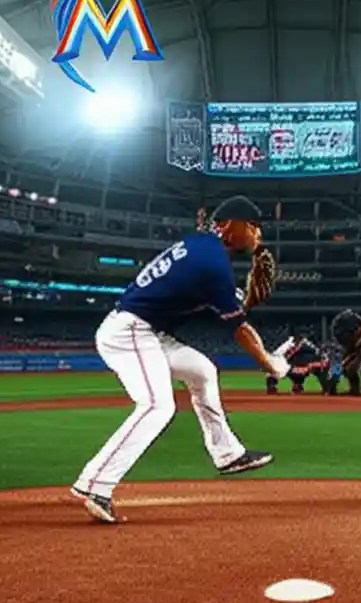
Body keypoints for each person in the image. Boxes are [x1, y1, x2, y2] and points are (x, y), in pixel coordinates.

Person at [71, 196, 290, 524]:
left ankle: (228, 453)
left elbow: (204, 294)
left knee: (202, 371)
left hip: (151, 333)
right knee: (157, 406)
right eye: (254, 226)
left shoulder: (201, 245)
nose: (258, 235)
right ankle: (95, 484)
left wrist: (234, 298)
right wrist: (270, 364)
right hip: (130, 332)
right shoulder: (213, 263)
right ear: (231, 224)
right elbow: (239, 329)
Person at [265, 330, 329, 395]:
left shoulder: (314, 347)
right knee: (273, 366)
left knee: (323, 368)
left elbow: (325, 361)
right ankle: (272, 385)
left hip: (305, 365)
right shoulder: (287, 346)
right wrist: (292, 369)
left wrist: (311, 366)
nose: (304, 340)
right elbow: (274, 360)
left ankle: (327, 387)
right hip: (292, 365)